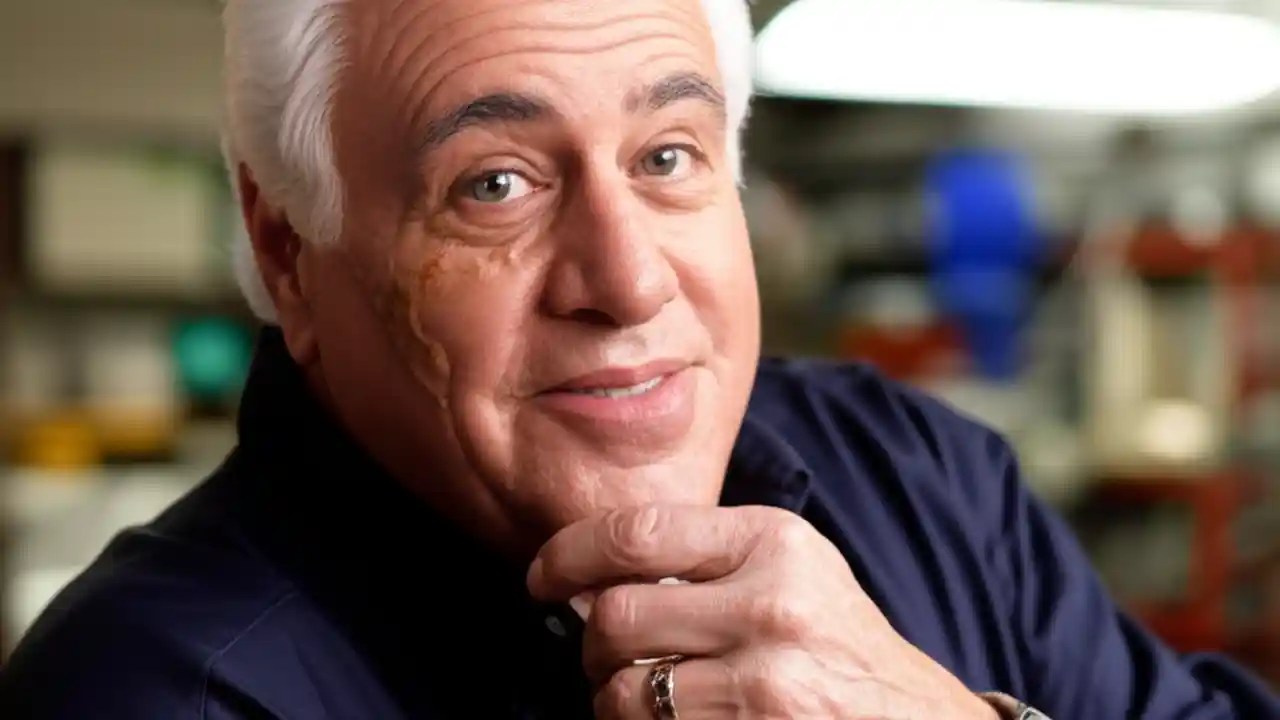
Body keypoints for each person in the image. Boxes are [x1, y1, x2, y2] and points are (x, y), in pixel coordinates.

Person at [2, 0, 1278, 717]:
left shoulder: (924, 475)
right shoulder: (154, 692)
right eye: (493, 184)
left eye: (667, 157)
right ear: (289, 253)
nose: (625, 279)